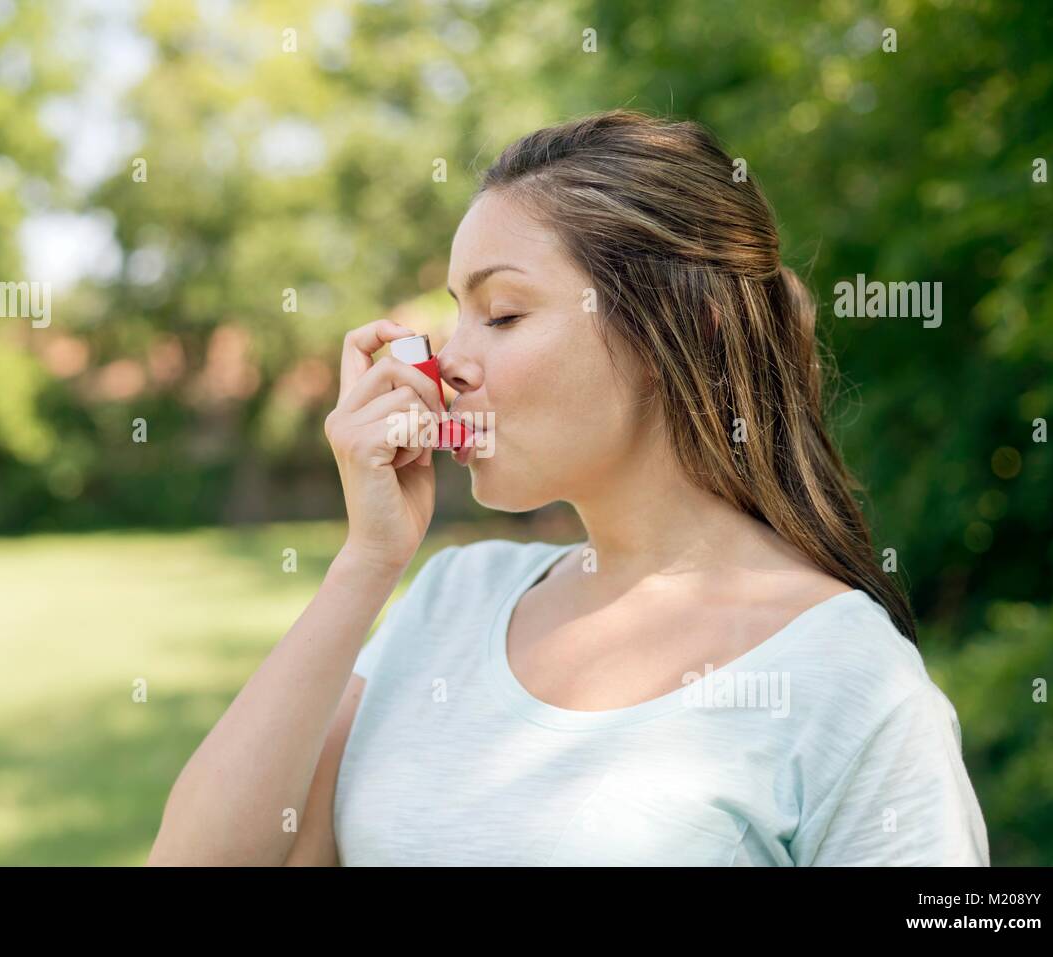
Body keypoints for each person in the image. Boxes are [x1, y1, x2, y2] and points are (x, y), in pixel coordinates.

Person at [148, 109, 989, 866]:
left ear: (682, 329)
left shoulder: (849, 679)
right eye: (455, 315)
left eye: (503, 314)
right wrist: (365, 562)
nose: (448, 365)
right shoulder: (447, 601)